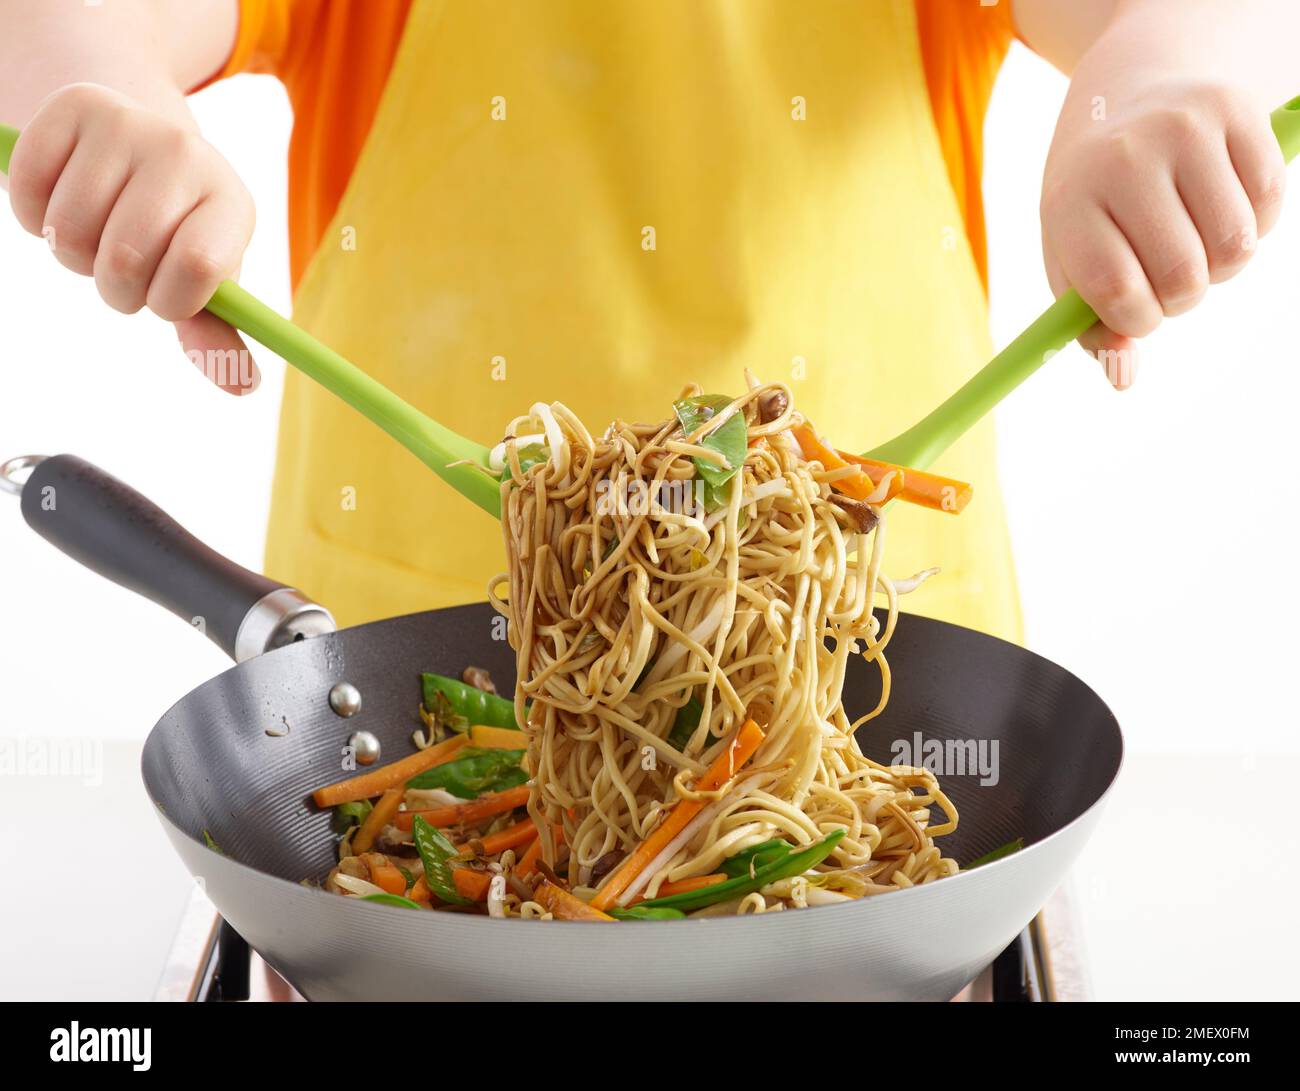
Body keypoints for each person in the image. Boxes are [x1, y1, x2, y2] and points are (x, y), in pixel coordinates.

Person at [0, 1, 1291, 640]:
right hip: (409, 700)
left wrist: (1161, 80)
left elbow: (1199, 14)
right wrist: (101, 94)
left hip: (881, 681)